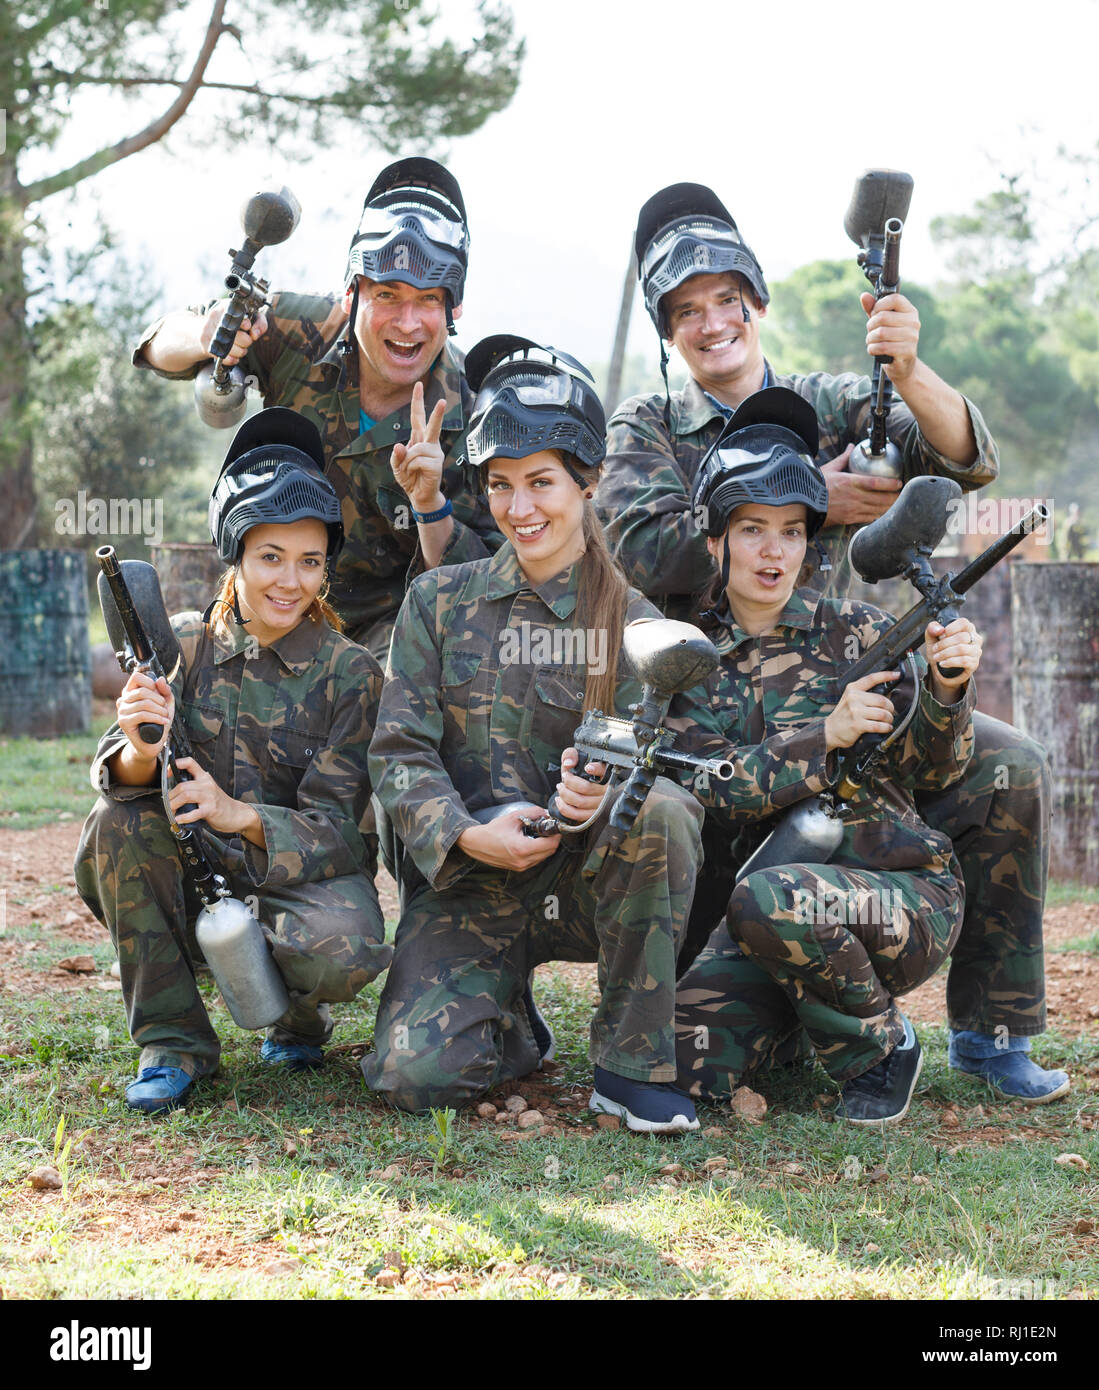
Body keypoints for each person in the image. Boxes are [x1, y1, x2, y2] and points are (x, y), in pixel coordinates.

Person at [596, 183, 1067, 1104]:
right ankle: (761, 1004)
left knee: (1006, 764)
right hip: (726, 698)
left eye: (725, 299)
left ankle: (990, 1030)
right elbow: (641, 545)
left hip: (853, 677)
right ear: (666, 330)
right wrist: (807, 499)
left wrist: (908, 365)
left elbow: (964, 459)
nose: (710, 322)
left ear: (755, 303)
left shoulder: (833, 399)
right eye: (685, 310)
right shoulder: (646, 426)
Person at [361, 335, 705, 1133]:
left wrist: (601, 795)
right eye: (501, 485)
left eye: (543, 483)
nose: (521, 509)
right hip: (468, 882)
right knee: (416, 1078)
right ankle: (507, 1018)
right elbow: (398, 752)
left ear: (587, 485)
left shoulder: (636, 626)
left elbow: (657, 762)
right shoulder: (438, 604)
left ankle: (628, 1063)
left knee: (663, 812)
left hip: (581, 886)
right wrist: (467, 834)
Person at [668, 390, 982, 1123]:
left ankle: (880, 1045)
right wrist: (825, 737)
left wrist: (946, 686)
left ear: (811, 541)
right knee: (677, 1066)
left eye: (789, 531)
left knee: (770, 895)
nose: (772, 551)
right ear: (714, 541)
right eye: (750, 530)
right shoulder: (692, 664)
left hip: (902, 894)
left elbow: (937, 772)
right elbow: (716, 788)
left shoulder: (857, 633)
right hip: (763, 918)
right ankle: (804, 1021)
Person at [74, 409, 388, 1114]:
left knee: (343, 949)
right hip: (192, 869)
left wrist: (237, 814)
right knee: (113, 828)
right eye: (270, 557)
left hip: (294, 882)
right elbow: (116, 781)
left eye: (310, 561)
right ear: (235, 556)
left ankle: (299, 1018)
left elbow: (341, 832)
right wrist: (141, 743)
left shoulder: (352, 673)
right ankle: (173, 1041)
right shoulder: (177, 645)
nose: (291, 581)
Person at [133, 158, 502, 660]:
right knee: (179, 672)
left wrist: (430, 503)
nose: (408, 322)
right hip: (270, 601)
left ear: (453, 309)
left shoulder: (477, 412)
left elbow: (483, 583)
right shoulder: (298, 327)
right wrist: (205, 335)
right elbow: (155, 349)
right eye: (387, 295)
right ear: (353, 294)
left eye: (428, 300)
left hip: (388, 632)